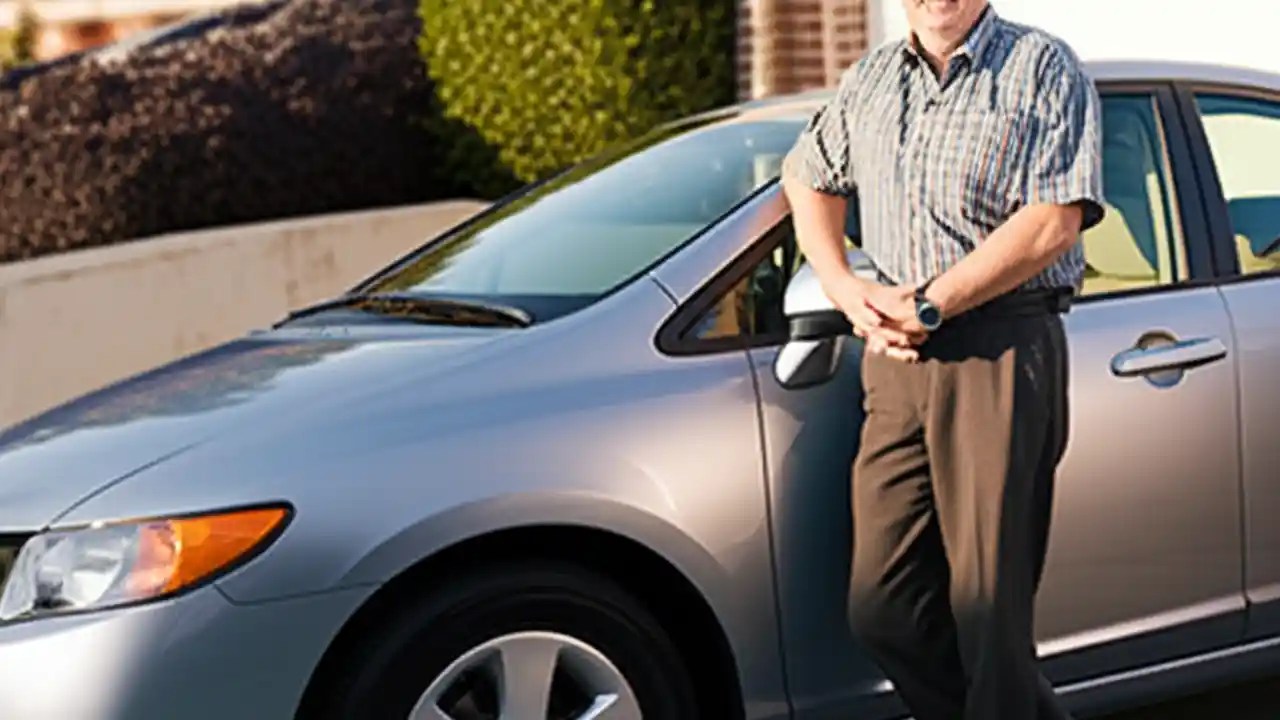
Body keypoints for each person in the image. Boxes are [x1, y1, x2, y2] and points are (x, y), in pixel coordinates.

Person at [779, 1, 1105, 719]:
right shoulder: (869, 77)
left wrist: (933, 302)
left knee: (989, 618)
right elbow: (806, 176)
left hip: (999, 348)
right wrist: (844, 286)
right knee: (883, 605)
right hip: (894, 358)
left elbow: (1055, 217)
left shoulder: (1040, 66)